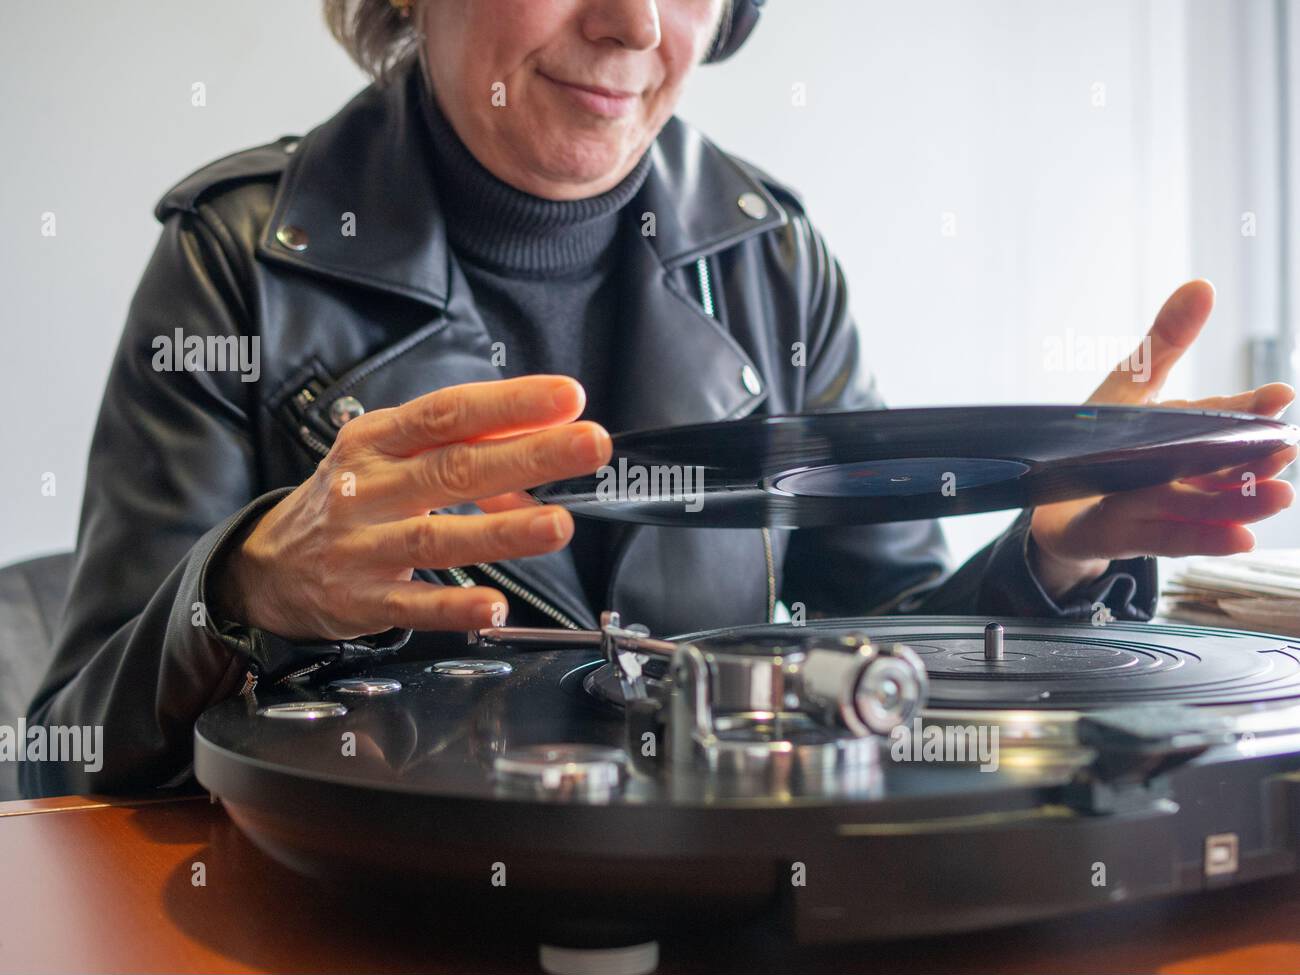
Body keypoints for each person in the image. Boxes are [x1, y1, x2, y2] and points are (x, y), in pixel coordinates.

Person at [25, 0, 1296, 795]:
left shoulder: (773, 255)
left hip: (716, 924)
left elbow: (888, 662)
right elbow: (65, 745)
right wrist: (242, 587)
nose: (635, 22)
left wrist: (1044, 560)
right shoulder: (238, 256)